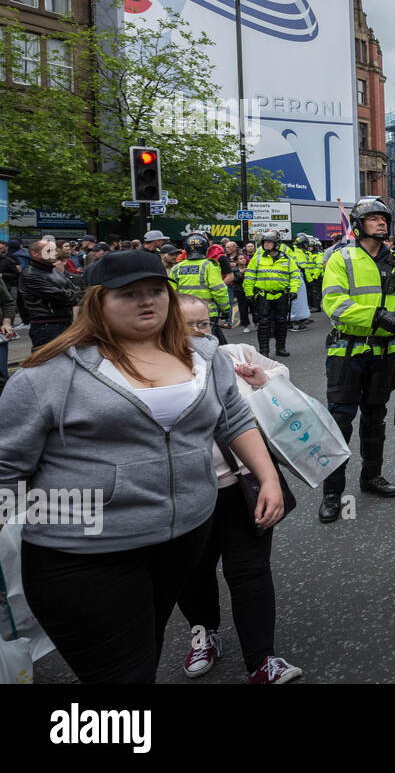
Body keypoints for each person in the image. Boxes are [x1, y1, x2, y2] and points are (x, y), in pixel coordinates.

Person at [0, 250, 283, 683]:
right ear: (97, 301)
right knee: (123, 673)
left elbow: (235, 419)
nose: (146, 302)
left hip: (181, 538)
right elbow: (5, 468)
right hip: (83, 553)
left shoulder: (204, 355)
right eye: (128, 294)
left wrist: (267, 478)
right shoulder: (47, 374)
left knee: (144, 652)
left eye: (155, 291)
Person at [174, 295, 302, 684]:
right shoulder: (152, 371)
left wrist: (263, 379)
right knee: (193, 574)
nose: (200, 333)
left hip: (241, 484)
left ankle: (262, 659)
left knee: (250, 571)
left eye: (205, 324)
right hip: (186, 495)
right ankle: (205, 635)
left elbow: (279, 373)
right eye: (189, 326)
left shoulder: (233, 353)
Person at [318, 198, 395, 523]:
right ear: (359, 224)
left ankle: (371, 477)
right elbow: (334, 303)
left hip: (385, 353)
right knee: (340, 422)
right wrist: (377, 317)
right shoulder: (340, 257)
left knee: (375, 419)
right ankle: (333, 493)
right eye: (373, 218)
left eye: (384, 218)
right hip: (347, 352)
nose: (381, 223)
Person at [168, 233, 231, 346]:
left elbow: (171, 293)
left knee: (188, 344)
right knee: (212, 345)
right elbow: (219, 290)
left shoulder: (177, 267)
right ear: (205, 248)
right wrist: (225, 309)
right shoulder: (209, 266)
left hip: (184, 312)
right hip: (207, 312)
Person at [19, 237, 80, 348]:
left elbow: (75, 291)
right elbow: (62, 296)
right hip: (46, 326)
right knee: (51, 362)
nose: (54, 254)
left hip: (64, 323)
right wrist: (72, 295)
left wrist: (72, 295)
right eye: (49, 251)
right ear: (35, 253)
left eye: (54, 250)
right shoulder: (30, 274)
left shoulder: (53, 271)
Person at [243, 230, 295, 358]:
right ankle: (264, 350)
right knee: (264, 324)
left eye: (269, 242)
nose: (265, 244)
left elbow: (295, 275)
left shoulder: (287, 259)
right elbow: (249, 277)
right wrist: (249, 293)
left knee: (282, 322)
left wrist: (293, 290)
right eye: (264, 242)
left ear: (276, 244)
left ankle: (280, 348)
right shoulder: (257, 258)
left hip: (281, 295)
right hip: (263, 296)